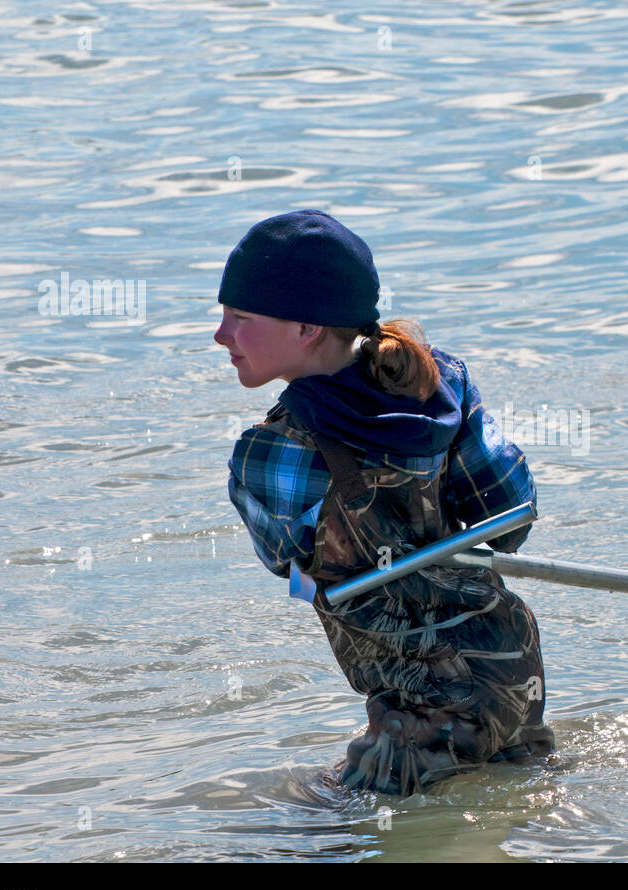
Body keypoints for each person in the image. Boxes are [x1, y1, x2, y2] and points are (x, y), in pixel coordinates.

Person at [213, 209, 554, 796]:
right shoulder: (442, 382)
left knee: (321, 831)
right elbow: (510, 512)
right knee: (526, 810)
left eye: (240, 316)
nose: (221, 335)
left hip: (419, 701)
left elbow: (291, 567)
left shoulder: (270, 453)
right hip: (511, 662)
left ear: (307, 328)